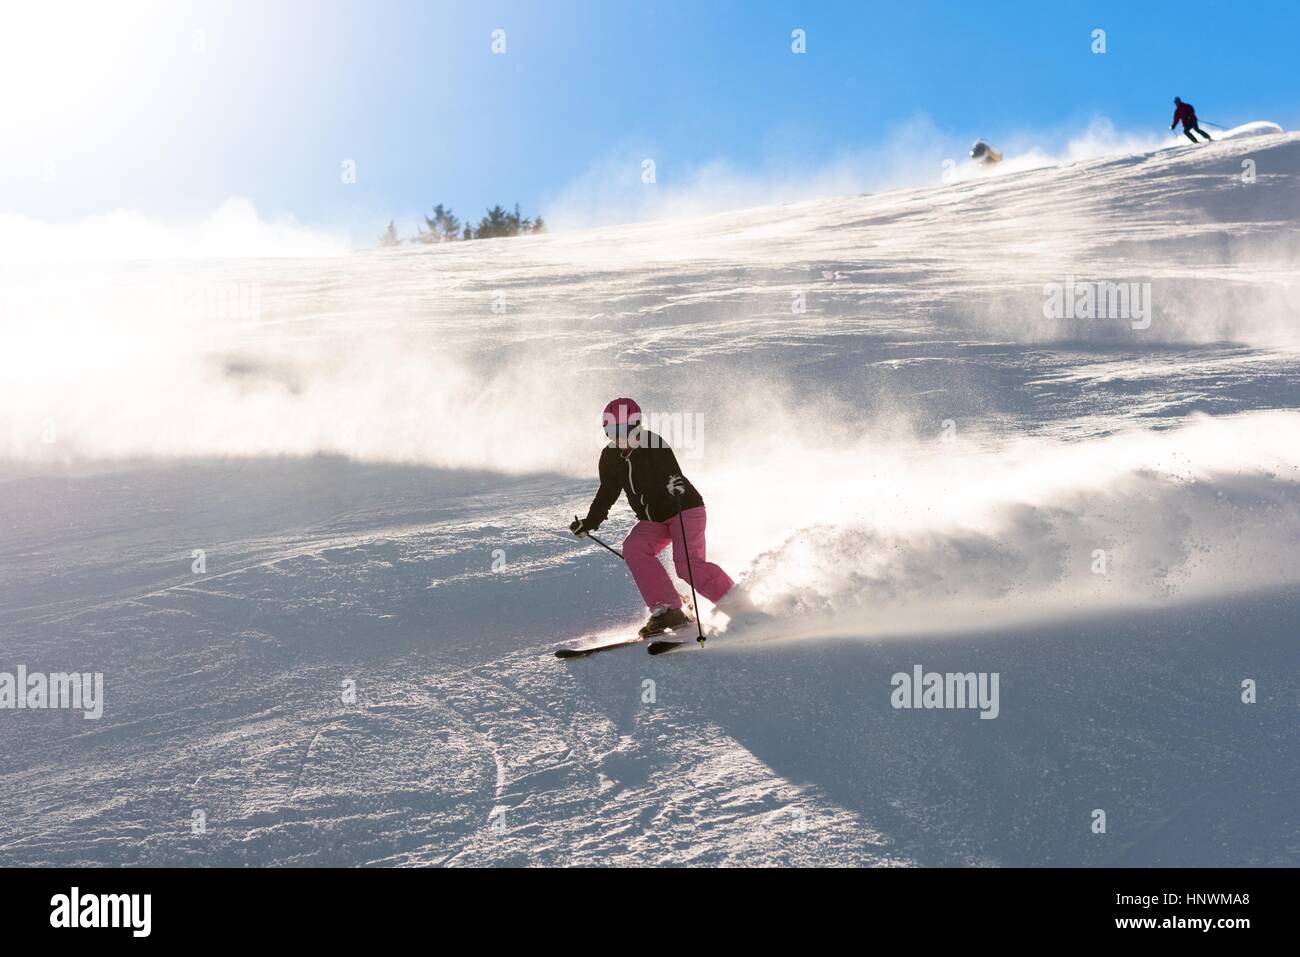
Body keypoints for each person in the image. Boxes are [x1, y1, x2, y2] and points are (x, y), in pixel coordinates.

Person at [570, 397, 754, 637]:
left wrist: (675, 485)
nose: (620, 436)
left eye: (625, 429)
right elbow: (607, 492)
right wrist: (590, 522)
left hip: (683, 509)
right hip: (653, 520)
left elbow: (671, 472)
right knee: (634, 547)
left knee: (687, 566)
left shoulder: (652, 443)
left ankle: (742, 608)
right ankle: (667, 609)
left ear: (637, 424)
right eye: (613, 431)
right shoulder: (610, 457)